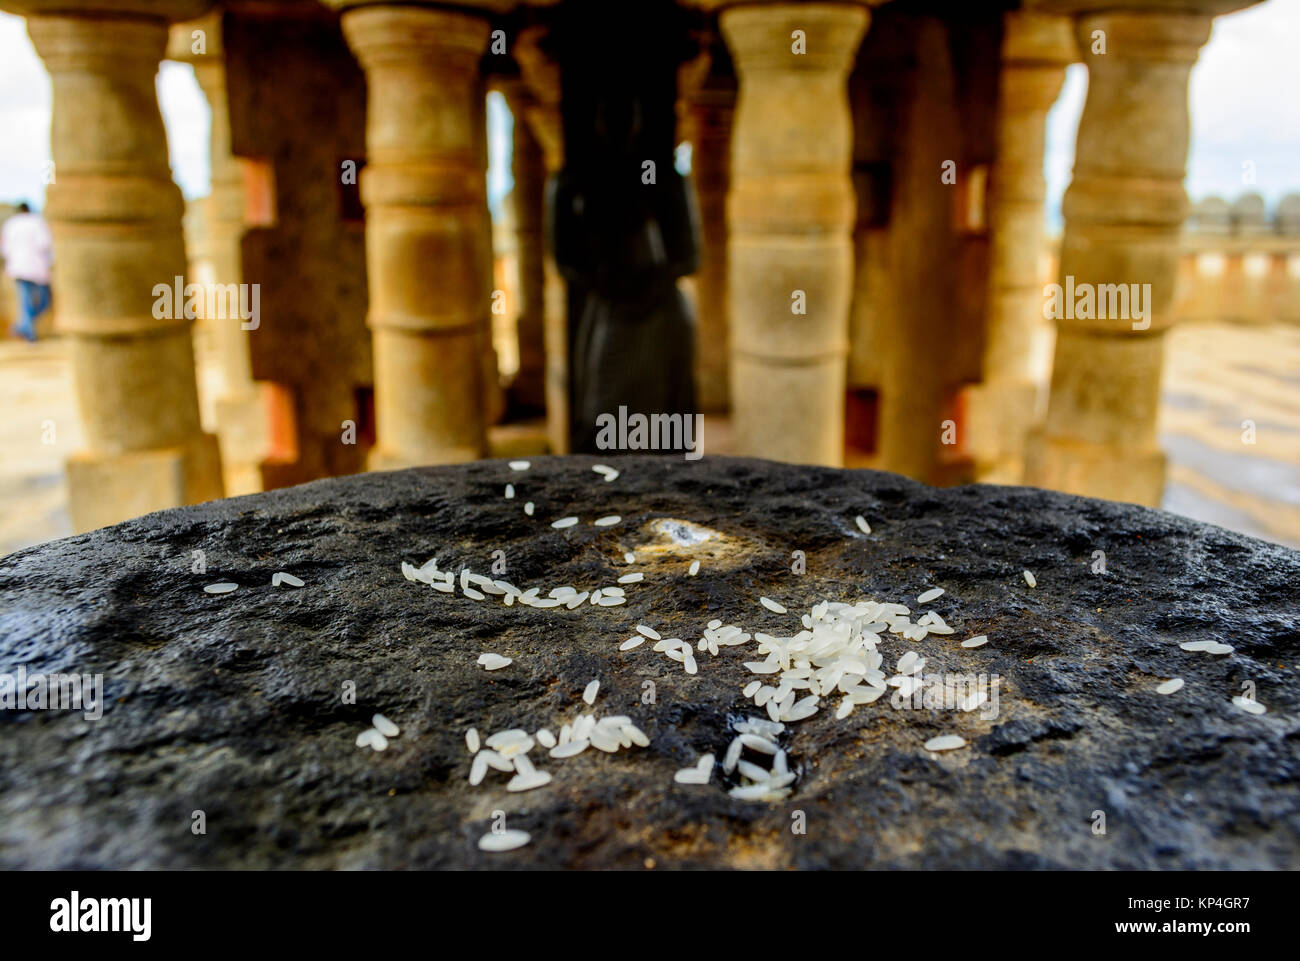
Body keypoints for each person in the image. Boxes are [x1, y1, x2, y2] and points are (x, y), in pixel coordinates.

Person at [2, 202, 54, 342]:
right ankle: (29, 333)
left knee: (27, 300)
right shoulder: (37, 222)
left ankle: (22, 326)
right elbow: (45, 244)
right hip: (35, 266)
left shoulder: (10, 224)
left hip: (18, 267)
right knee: (44, 300)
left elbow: (5, 248)